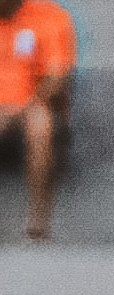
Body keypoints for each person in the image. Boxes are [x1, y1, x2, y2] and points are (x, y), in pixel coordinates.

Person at [0, 0, 73, 241]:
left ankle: (39, 219)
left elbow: (56, 76)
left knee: (39, 124)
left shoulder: (48, 16)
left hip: (32, 100)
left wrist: (21, 108)